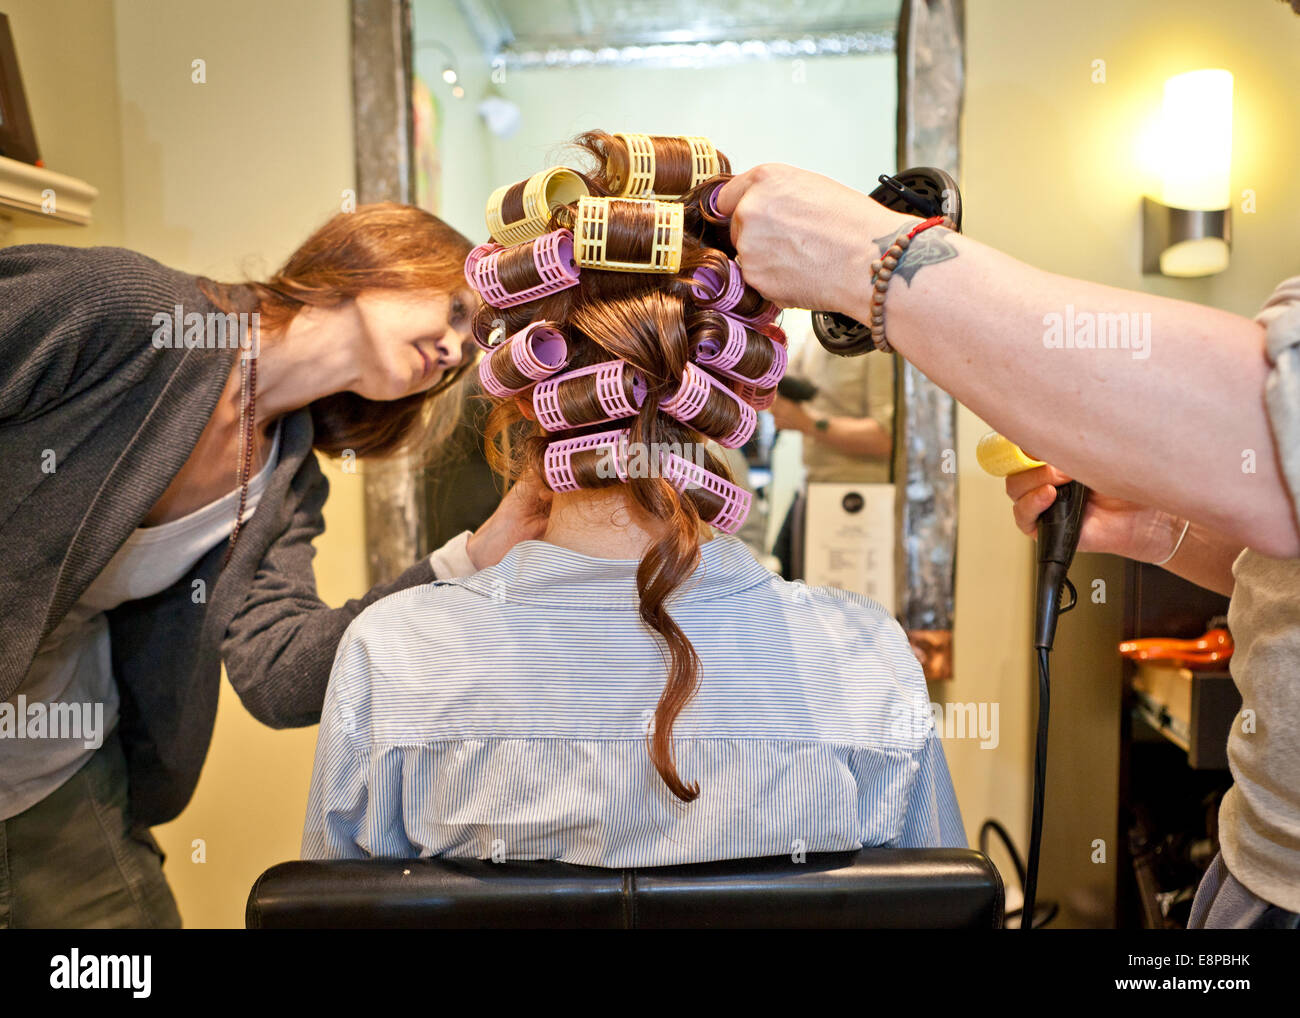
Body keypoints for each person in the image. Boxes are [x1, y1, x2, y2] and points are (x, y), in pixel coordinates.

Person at [301, 131, 965, 864]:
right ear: (740, 386)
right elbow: (938, 903)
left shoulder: (394, 658)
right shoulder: (865, 658)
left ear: (525, 399)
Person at [714, 156, 1300, 927]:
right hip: (1261, 853)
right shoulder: (856, 652)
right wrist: (1166, 531)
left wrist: (875, 257)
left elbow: (1277, 413)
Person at [0, 203, 546, 928]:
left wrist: (473, 558)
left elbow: (280, 674)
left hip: (57, 785)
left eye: (467, 348)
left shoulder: (285, 483)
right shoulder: (129, 309)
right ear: (383, 256)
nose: (453, 350)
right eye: (453, 311)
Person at [769, 331, 895, 578]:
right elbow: (781, 381)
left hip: (856, 501)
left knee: (845, 604)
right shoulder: (817, 337)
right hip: (812, 490)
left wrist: (808, 424)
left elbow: (884, 438)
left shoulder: (876, 348)